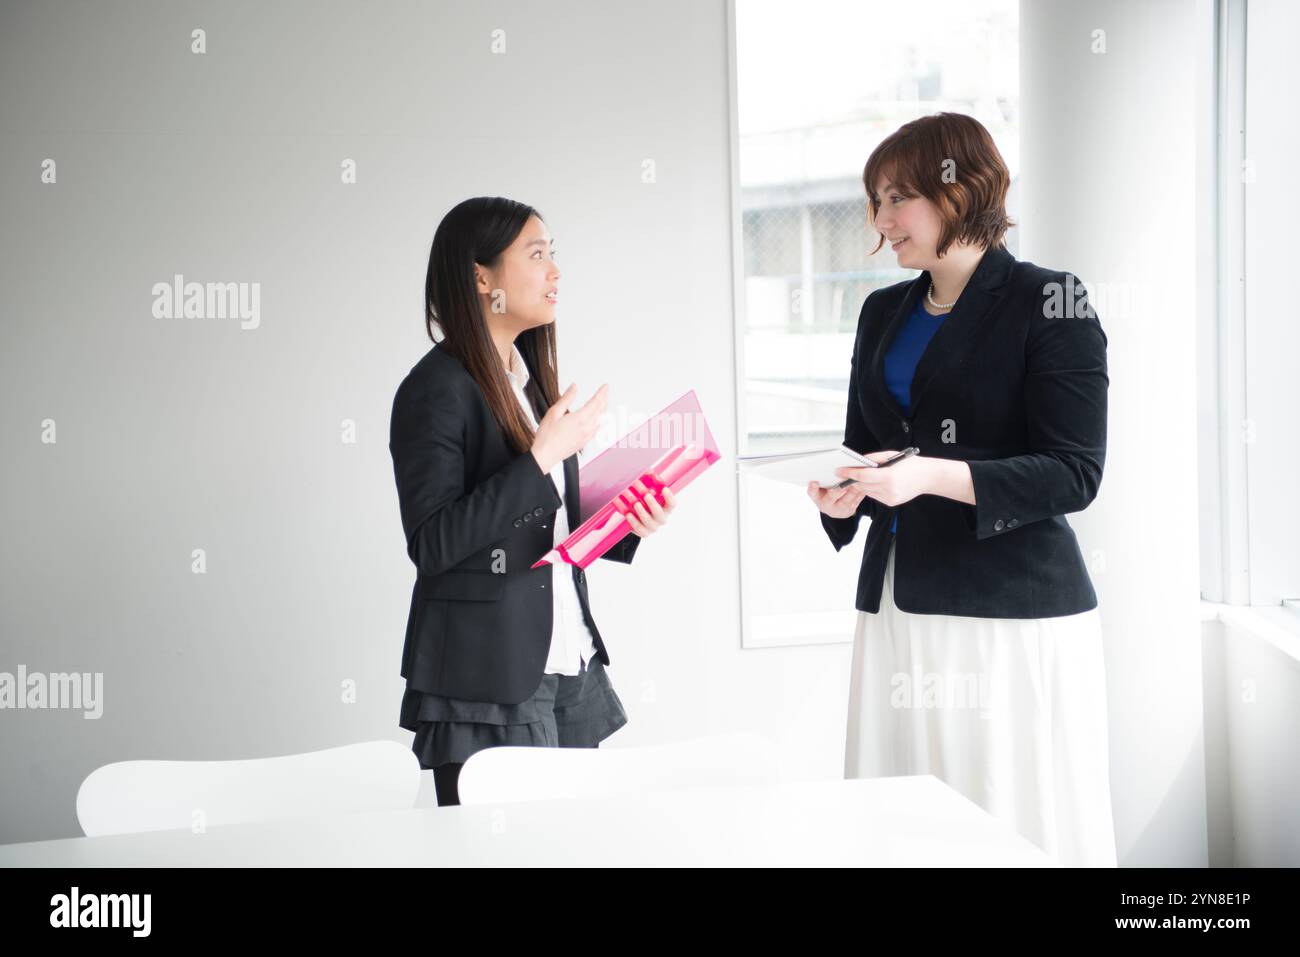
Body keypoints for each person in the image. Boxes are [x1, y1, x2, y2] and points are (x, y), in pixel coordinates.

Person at [808, 113, 1118, 866]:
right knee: (899, 823)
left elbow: (1074, 471)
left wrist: (926, 477)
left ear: (961, 192)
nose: (882, 221)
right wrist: (848, 492)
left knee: (1000, 811)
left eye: (899, 198)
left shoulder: (1053, 300)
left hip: (1004, 610)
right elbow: (866, 443)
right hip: (896, 603)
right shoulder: (885, 310)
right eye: (876, 201)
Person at [389, 197, 675, 806]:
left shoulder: (528, 380)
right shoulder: (433, 390)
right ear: (481, 278)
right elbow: (434, 544)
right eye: (537, 255)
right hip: (484, 679)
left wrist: (627, 523)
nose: (555, 272)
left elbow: (545, 529)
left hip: (567, 661)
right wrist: (541, 457)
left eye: (554, 256)